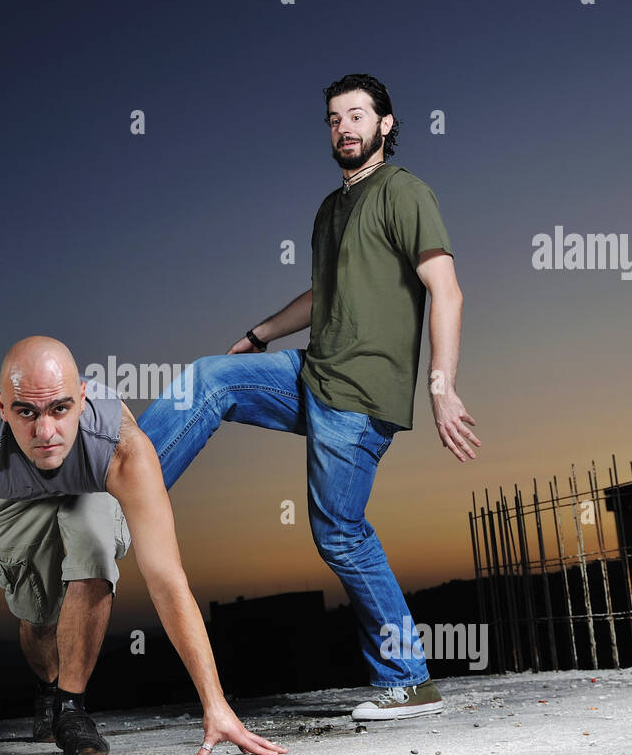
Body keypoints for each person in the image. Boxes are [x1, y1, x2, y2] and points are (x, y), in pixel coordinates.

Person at [138, 73, 481, 721]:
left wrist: (442, 385)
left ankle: (408, 677)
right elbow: (324, 295)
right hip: (313, 370)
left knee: (340, 533)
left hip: (360, 390)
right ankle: (122, 493)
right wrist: (257, 334)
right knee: (212, 377)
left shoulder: (404, 192)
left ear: (385, 124)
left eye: (357, 115)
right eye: (333, 118)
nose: (344, 126)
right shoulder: (331, 209)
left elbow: (447, 289)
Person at [0, 336, 285, 755]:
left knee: (95, 543)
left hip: (90, 488)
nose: (45, 432)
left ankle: (71, 707)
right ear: (1, 409)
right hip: (15, 498)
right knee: (37, 617)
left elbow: (166, 578)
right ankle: (47, 686)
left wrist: (214, 704)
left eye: (59, 409)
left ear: (81, 401)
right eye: (26, 413)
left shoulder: (122, 446)